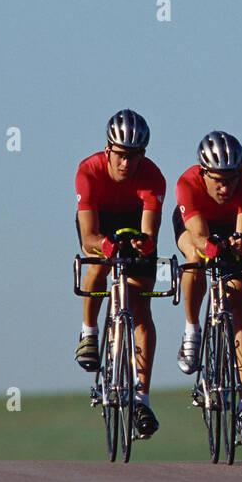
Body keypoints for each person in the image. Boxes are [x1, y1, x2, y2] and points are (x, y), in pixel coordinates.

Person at [73, 109, 166, 440]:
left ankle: (141, 398)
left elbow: (149, 234)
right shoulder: (89, 171)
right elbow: (88, 237)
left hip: (135, 226)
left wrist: (142, 245)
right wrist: (104, 246)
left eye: (135, 156)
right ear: (108, 149)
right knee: (97, 262)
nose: (126, 164)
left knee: (141, 308)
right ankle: (89, 332)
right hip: (100, 226)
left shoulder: (153, 177)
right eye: (121, 155)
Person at [173, 131, 242, 444]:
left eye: (231, 180)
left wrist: (238, 245)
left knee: (240, 310)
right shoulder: (187, 184)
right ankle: (193, 330)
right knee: (194, 259)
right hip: (199, 229)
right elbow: (198, 237)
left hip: (231, 229)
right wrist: (211, 249)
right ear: (204, 174)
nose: (225, 188)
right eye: (218, 180)